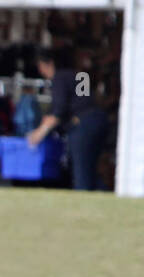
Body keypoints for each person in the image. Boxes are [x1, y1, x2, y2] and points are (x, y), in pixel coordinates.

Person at [27, 46, 107, 190]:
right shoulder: (78, 75)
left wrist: (39, 133)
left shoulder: (59, 78)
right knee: (90, 170)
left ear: (49, 63)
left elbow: (58, 111)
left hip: (83, 125)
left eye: (40, 66)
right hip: (98, 121)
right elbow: (86, 100)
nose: (40, 71)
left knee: (81, 172)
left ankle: (82, 206)